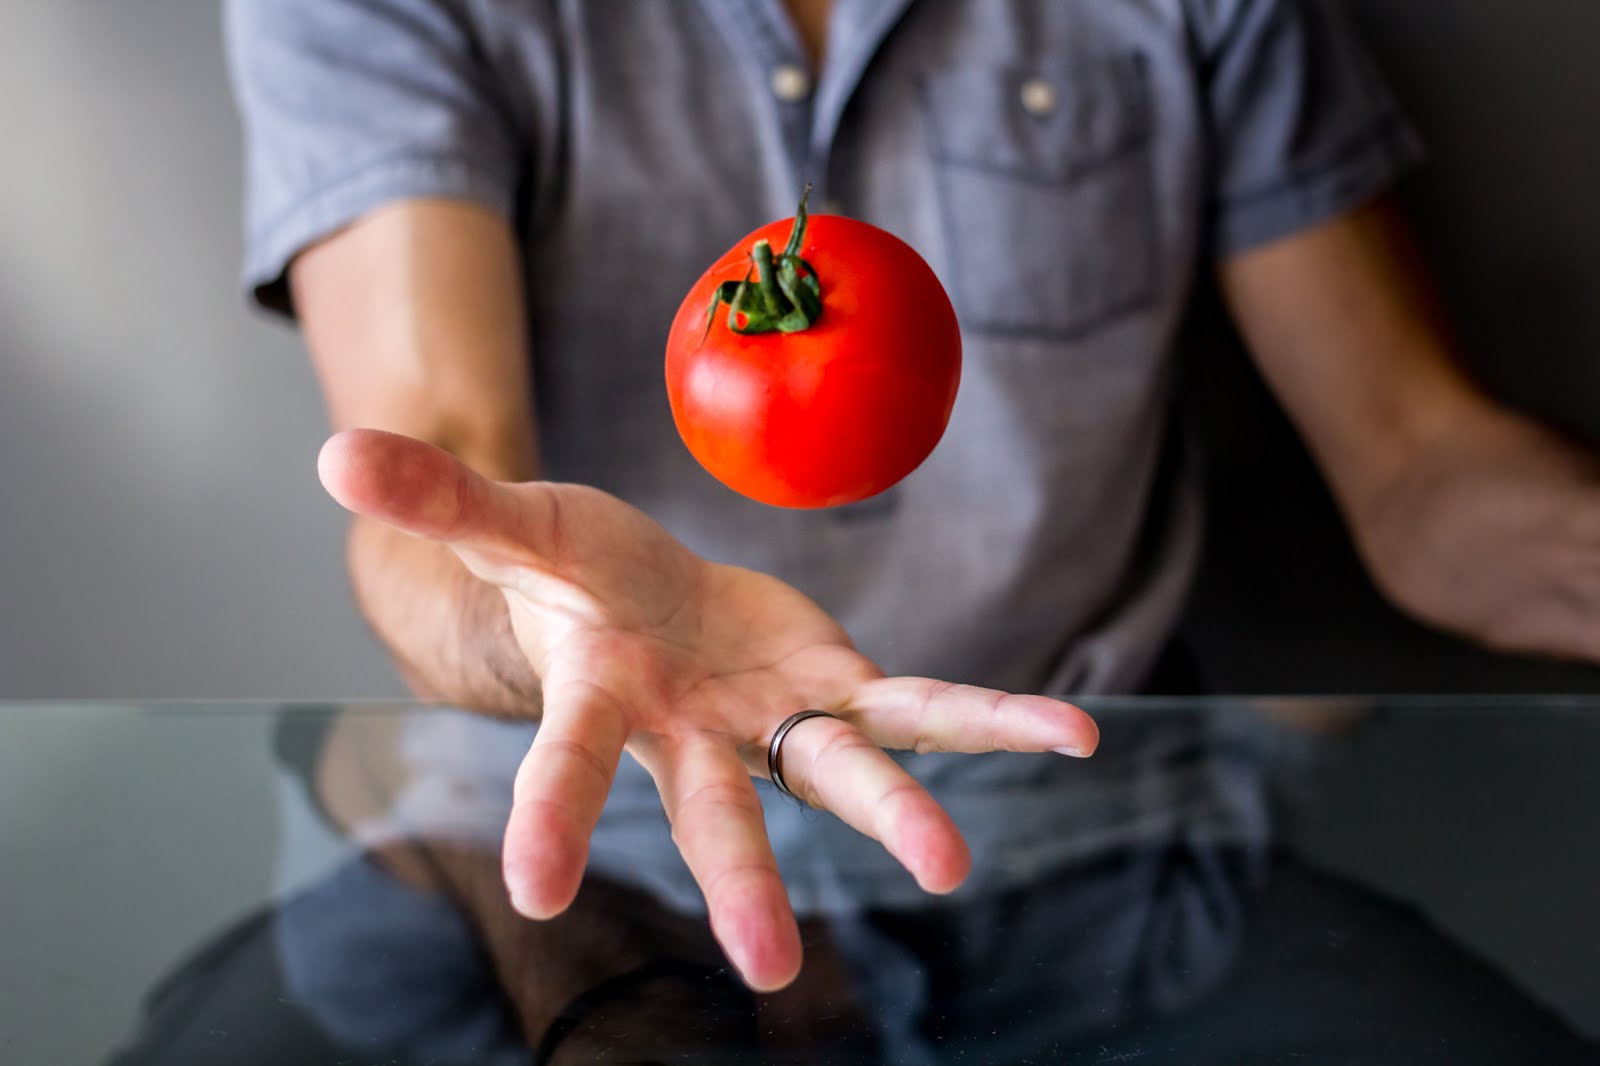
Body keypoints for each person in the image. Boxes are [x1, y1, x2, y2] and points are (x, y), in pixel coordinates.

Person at [225, 0, 1600, 1001]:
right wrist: (549, 624)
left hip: (1092, 836)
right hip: (565, 856)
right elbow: (444, 464)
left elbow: (1424, 469)